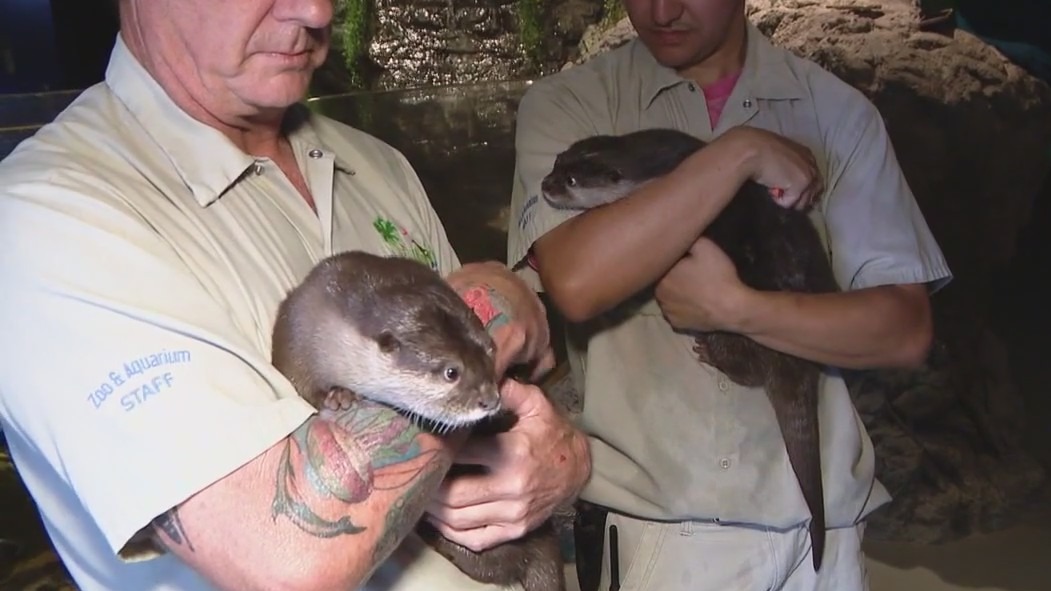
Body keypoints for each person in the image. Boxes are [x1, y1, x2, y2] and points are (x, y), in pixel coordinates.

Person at [0, 0, 589, 590]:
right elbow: (288, 560)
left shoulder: (377, 163)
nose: (315, 10)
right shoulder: (44, 214)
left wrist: (556, 461)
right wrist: (496, 299)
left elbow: (501, 410)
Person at [506, 0, 954, 589]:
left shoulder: (836, 113)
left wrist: (738, 309)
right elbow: (576, 284)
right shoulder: (572, 103)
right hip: (661, 538)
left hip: (822, 540)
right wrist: (739, 154)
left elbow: (904, 331)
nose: (662, 11)